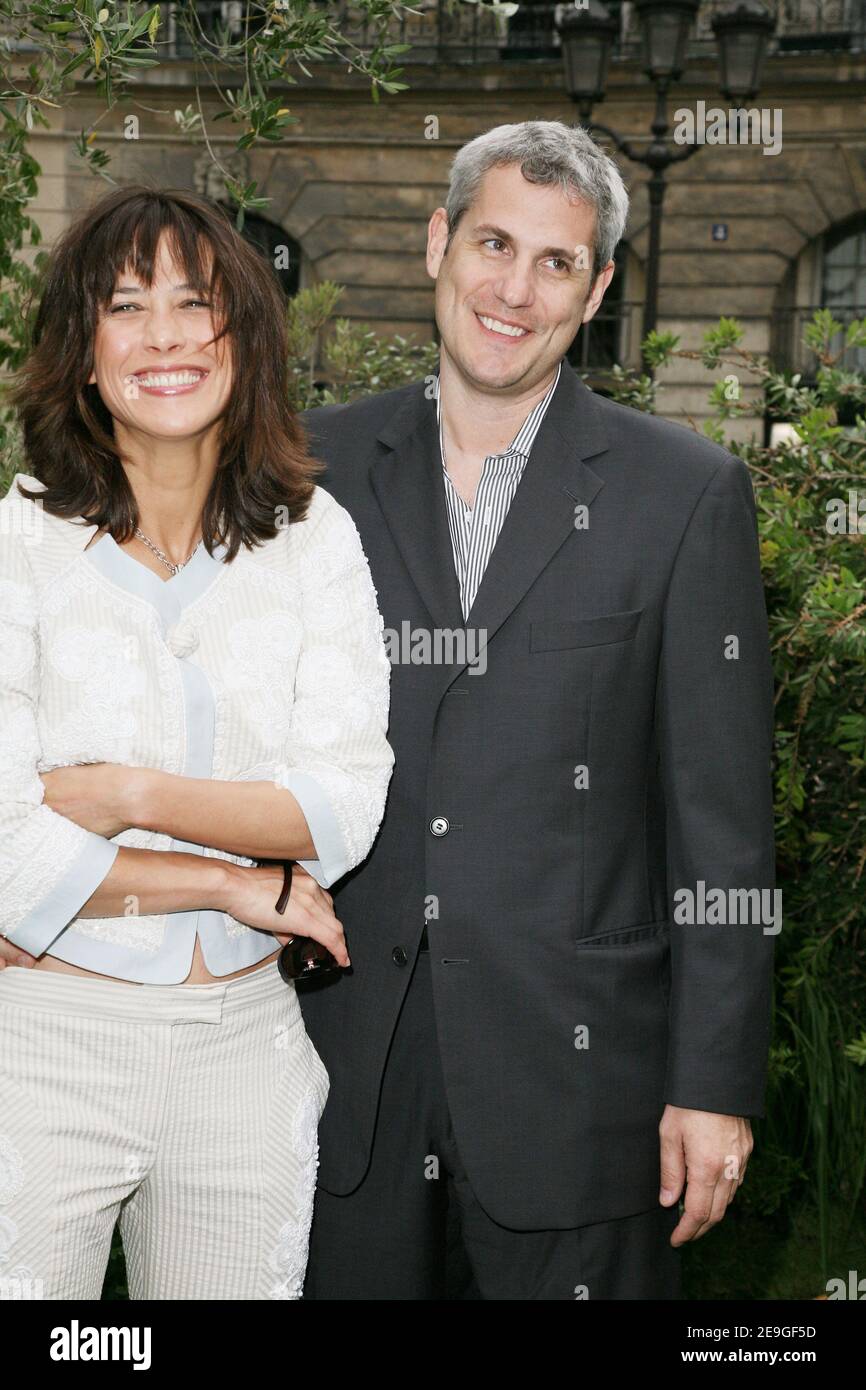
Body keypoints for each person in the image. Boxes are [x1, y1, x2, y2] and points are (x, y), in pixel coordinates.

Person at [297, 121, 777, 1300]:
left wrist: (711, 1082)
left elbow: (721, 822)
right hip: (341, 1072)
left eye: (555, 262)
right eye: (492, 244)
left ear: (598, 287)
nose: (513, 290)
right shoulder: (306, 469)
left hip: (580, 1090)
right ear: (436, 245)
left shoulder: (682, 493)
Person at [0, 185, 393, 1301]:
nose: (165, 335)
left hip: (244, 1052)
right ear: (82, 353)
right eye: (125, 307)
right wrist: (227, 885)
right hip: (39, 1035)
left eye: (195, 303)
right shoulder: (17, 544)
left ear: (246, 340)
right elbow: (4, 846)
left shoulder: (314, 541)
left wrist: (121, 792)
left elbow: (339, 806)